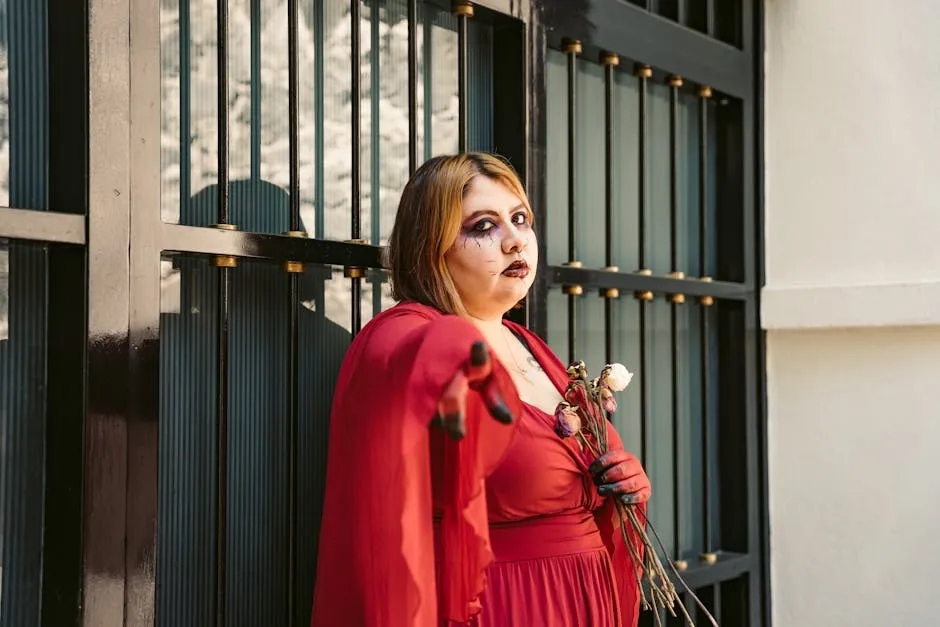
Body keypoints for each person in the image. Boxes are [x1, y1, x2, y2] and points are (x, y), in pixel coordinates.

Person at [310, 153, 651, 627]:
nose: (516, 242)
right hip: (495, 606)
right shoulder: (401, 338)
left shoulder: (531, 346)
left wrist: (620, 483)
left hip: (584, 598)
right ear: (433, 247)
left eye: (520, 219)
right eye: (484, 226)